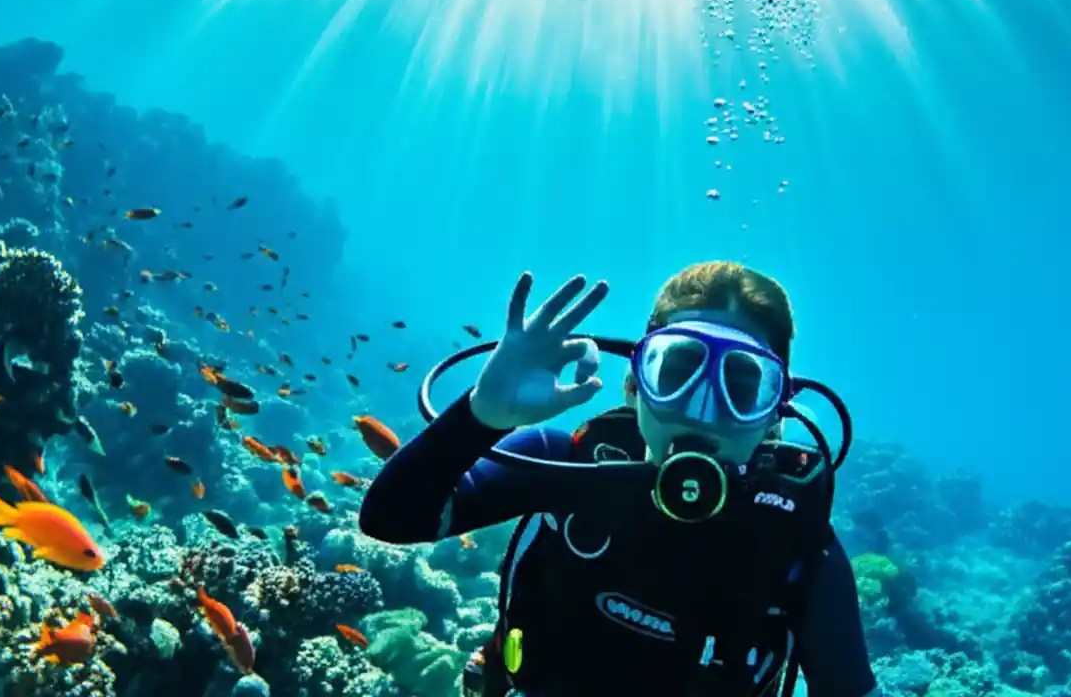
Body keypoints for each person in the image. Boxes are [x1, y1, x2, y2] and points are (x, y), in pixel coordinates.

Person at [359, 263, 877, 697]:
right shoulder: (565, 464)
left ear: (773, 416)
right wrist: (479, 417)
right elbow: (391, 519)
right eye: (677, 372)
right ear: (635, 384)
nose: (702, 411)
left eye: (740, 387)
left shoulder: (797, 547)